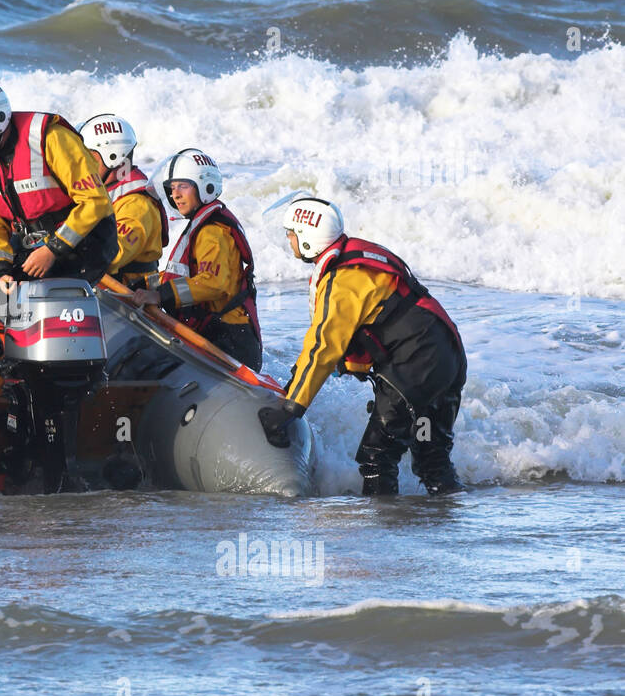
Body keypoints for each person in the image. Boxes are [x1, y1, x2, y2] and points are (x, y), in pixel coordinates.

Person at [258, 196, 466, 496]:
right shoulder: (355, 261)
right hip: (444, 357)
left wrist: (291, 408)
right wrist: (298, 379)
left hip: (416, 361)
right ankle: (450, 526)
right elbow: (337, 345)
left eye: (291, 233)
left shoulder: (342, 279)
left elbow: (324, 348)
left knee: (376, 455)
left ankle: (383, 538)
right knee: (430, 454)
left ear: (308, 239)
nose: (288, 240)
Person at [0, 74, 118, 395]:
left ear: (0, 119)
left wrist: (53, 250)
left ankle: (64, 383)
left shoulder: (51, 139)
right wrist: (0, 268)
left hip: (85, 244)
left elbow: (96, 202)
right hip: (35, 243)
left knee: (33, 300)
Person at [129, 149, 262, 371]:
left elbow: (211, 284)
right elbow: (182, 274)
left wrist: (159, 295)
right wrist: (143, 285)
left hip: (230, 340)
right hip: (218, 333)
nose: (175, 195)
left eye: (183, 186)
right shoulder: (202, 226)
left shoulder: (213, 232)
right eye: (172, 189)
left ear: (206, 186)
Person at [78, 113, 168, 287]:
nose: (80, 163)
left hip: (127, 304)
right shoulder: (101, 191)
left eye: (87, 156)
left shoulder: (139, 204)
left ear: (113, 157)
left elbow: (112, 253)